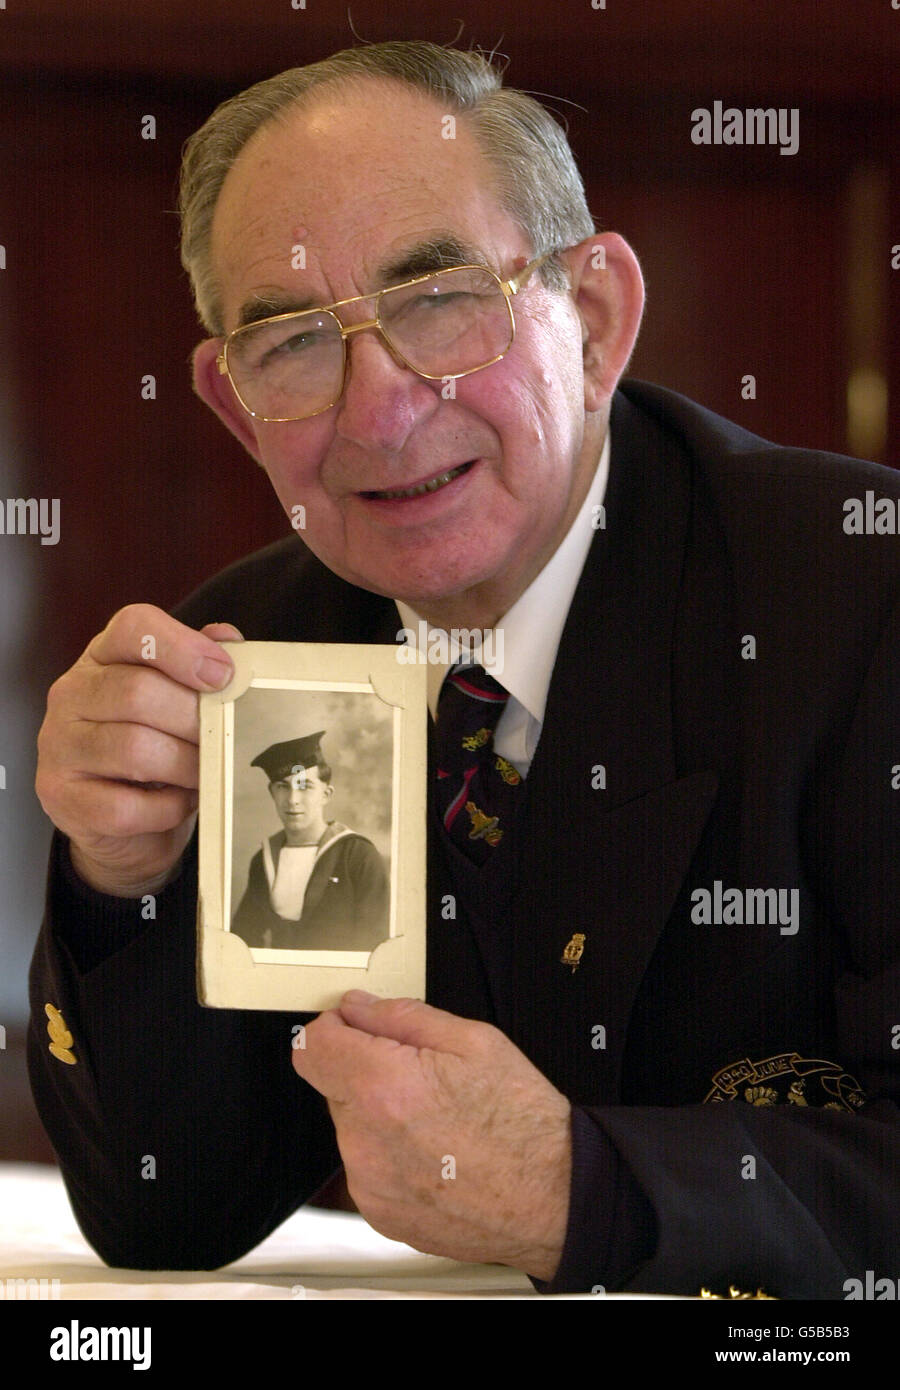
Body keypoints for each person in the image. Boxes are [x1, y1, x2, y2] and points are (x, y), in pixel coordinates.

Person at [28, 40, 899, 1295]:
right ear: (234, 405)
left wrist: (586, 1187)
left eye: (438, 300)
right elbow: (170, 1214)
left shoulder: (862, 598)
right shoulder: (246, 660)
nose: (378, 410)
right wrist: (122, 877)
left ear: (594, 319)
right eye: (292, 344)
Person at [230, 731, 389, 950]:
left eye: (305, 786)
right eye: (283, 787)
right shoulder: (264, 860)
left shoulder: (358, 856)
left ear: (326, 794)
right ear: (272, 793)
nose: (293, 800)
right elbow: (244, 936)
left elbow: (375, 942)